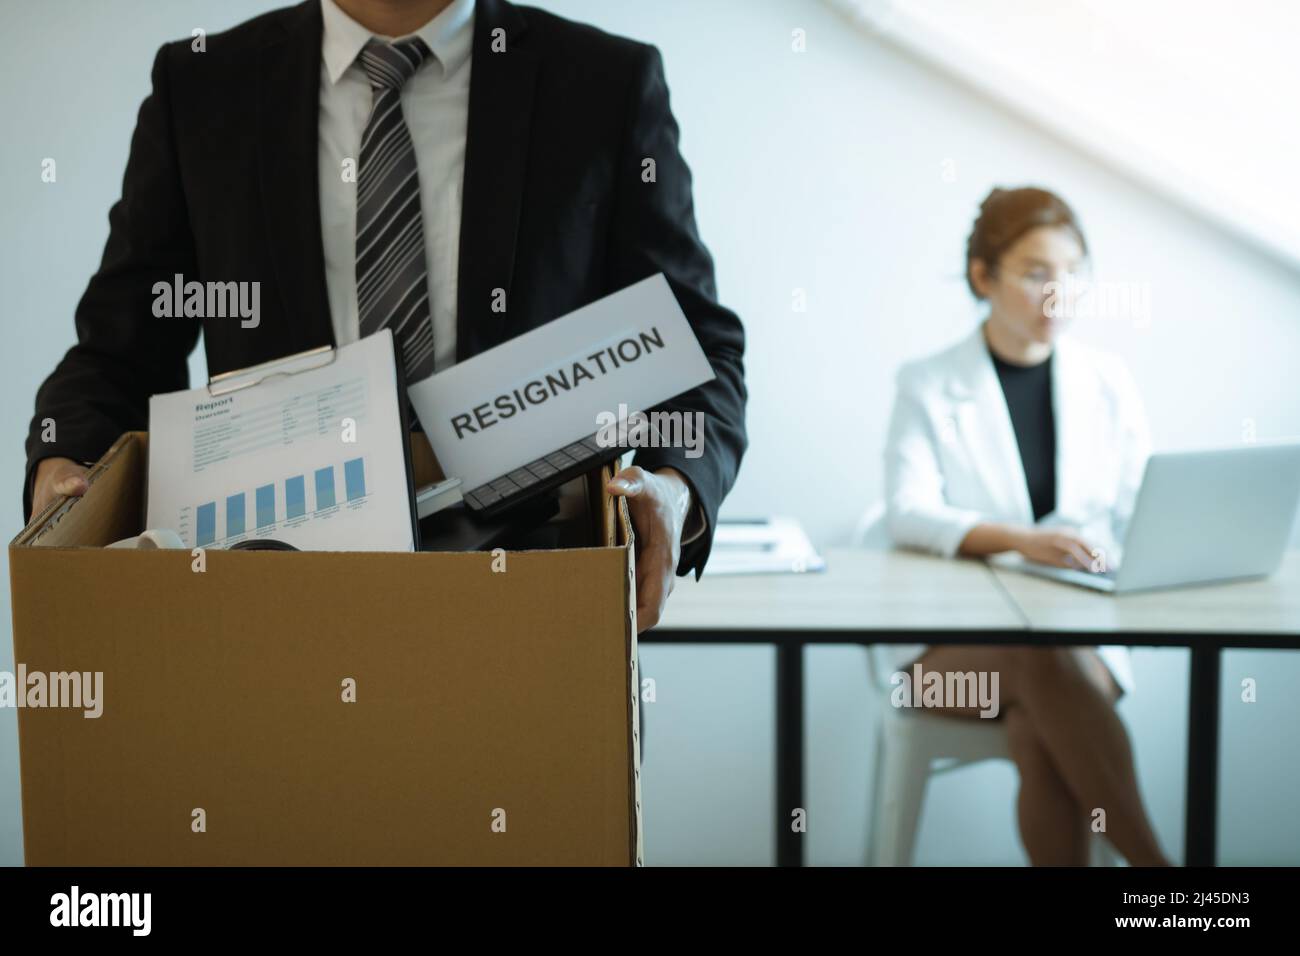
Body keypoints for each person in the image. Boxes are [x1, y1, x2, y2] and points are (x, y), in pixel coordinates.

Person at [24, 0, 747, 630]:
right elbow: (120, 349)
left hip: (537, 604)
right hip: (266, 612)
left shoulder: (603, 83)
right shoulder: (205, 86)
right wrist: (65, 467)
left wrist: (675, 485)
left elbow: (693, 342)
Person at [881, 186, 1169, 866]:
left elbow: (1144, 508)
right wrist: (1018, 538)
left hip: (1081, 645)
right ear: (983, 277)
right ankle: (1167, 884)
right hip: (946, 662)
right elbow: (907, 511)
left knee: (1042, 719)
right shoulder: (927, 382)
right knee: (1034, 662)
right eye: (1037, 273)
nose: (1058, 293)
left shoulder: (1107, 380)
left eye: (1072, 273)